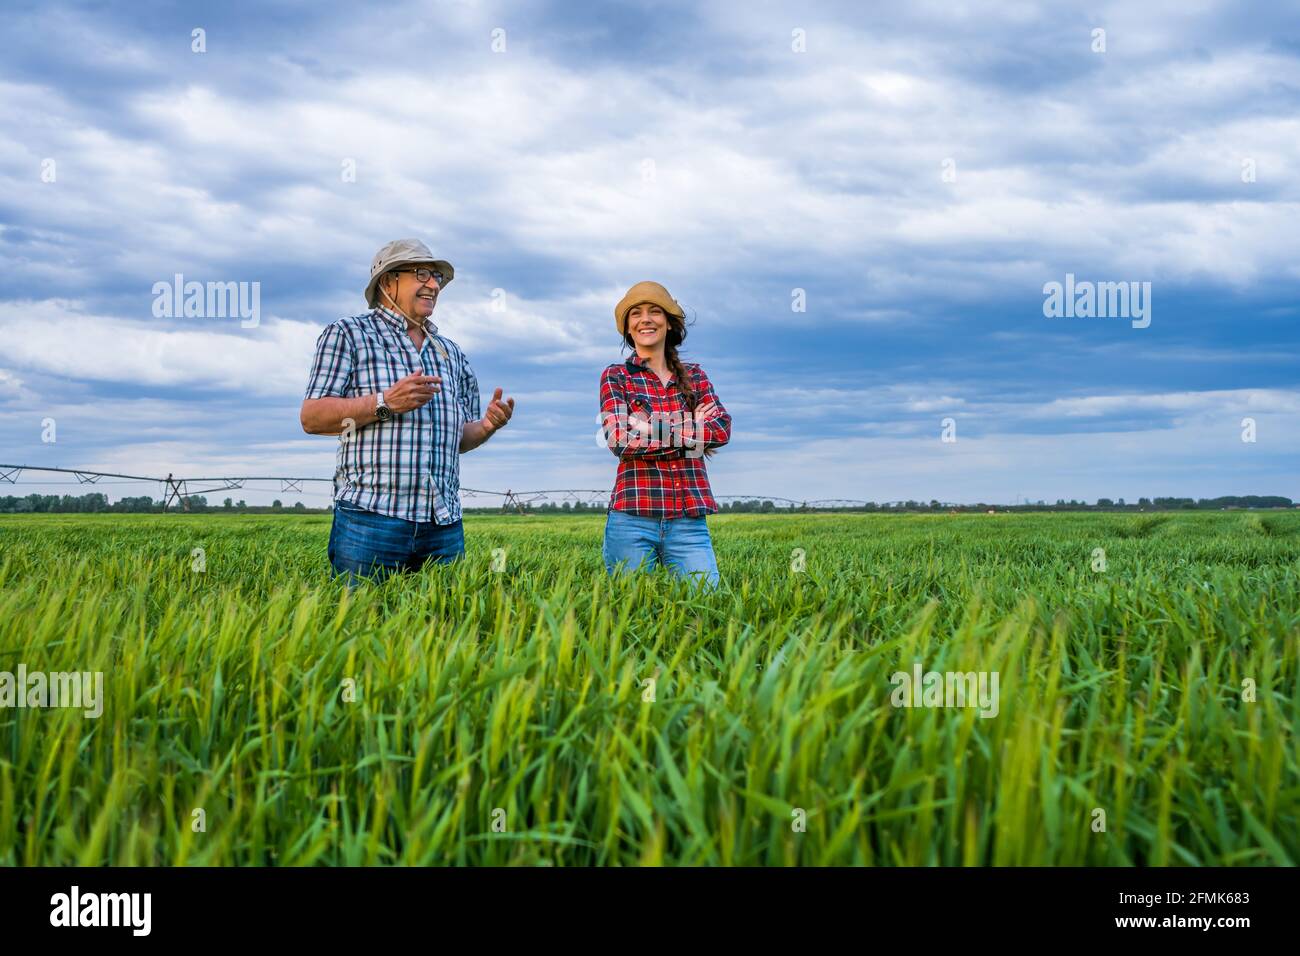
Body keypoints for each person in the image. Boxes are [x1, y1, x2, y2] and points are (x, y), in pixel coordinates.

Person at [301, 238, 515, 583]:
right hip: (370, 522)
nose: (433, 284)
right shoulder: (348, 335)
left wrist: (488, 426)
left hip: (442, 526)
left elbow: (458, 439)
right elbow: (312, 417)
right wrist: (385, 402)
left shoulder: (451, 353)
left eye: (436, 277)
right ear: (388, 281)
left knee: (443, 628)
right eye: (421, 274)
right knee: (360, 627)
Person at [599, 281, 731, 586]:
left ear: (670, 323)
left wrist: (650, 428)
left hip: (688, 521)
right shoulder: (616, 376)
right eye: (636, 314)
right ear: (628, 329)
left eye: (655, 311)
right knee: (629, 610)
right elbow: (620, 440)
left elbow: (722, 429)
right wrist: (692, 430)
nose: (645, 318)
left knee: (704, 604)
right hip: (632, 518)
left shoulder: (696, 375)